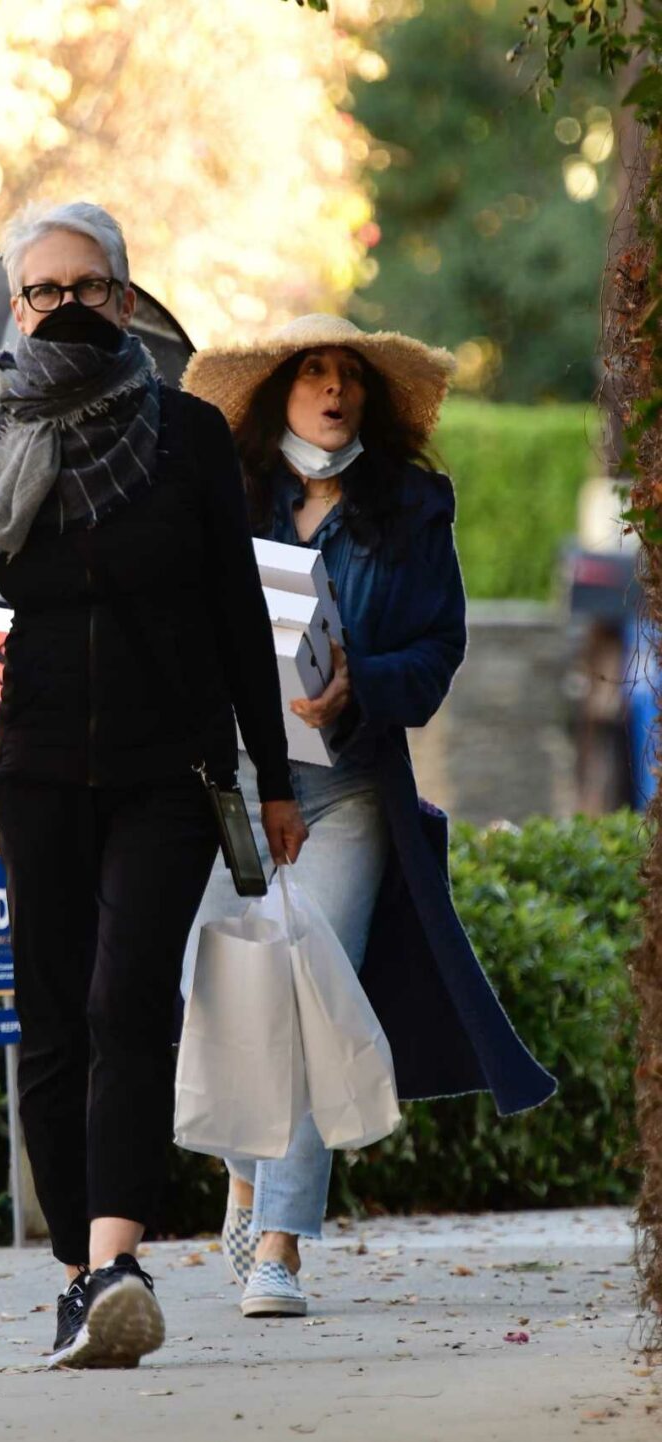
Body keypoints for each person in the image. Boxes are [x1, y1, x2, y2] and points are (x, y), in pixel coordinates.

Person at [0, 202, 307, 1368]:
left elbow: (238, 616)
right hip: (36, 766)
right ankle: (79, 1279)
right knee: (51, 1018)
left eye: (88, 288)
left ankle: (120, 1258)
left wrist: (272, 779)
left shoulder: (184, 437)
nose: (66, 307)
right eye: (43, 291)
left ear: (126, 302)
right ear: (14, 307)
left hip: (168, 765)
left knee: (126, 1003)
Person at [181, 314, 557, 1320]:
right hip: (231, 785)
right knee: (211, 995)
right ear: (279, 394)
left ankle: (277, 1251)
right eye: (313, 371)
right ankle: (246, 1171)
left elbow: (437, 653)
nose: (333, 388)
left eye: (349, 374)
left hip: (347, 790)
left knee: (312, 999)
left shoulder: (414, 508)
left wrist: (358, 683)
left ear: (370, 399)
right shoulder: (227, 501)